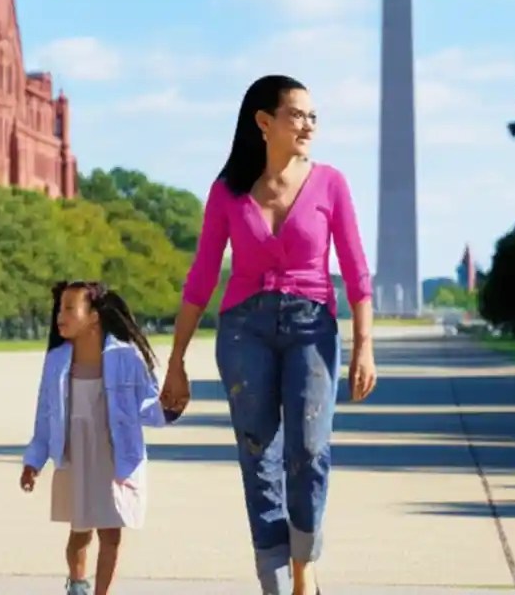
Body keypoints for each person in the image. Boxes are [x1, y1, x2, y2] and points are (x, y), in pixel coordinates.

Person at [160, 75, 377, 595]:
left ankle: (305, 566)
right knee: (260, 456)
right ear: (264, 122)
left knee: (309, 449)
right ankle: (276, 583)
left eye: (312, 117)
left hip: (312, 327)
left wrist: (365, 345)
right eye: (296, 115)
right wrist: (177, 359)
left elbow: (355, 267)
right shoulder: (227, 191)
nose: (307, 125)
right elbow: (202, 276)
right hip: (243, 332)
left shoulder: (330, 183)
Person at [20, 281, 168, 595]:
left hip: (113, 456)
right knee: (80, 531)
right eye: (60, 308)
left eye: (70, 308)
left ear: (94, 317)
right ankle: (77, 585)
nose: (61, 315)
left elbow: (150, 406)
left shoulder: (125, 357)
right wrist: (34, 460)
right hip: (75, 454)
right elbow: (45, 414)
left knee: (111, 533)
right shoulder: (57, 360)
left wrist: (172, 405)